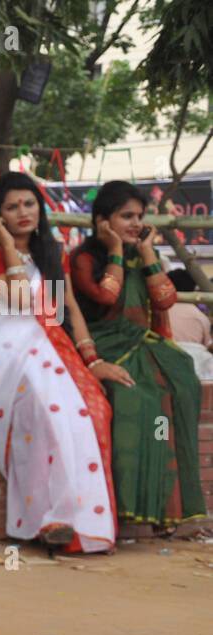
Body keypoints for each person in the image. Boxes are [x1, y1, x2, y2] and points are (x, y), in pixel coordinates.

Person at [0, 172, 125, 554]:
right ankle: (49, 517)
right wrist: (5, 245)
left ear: (39, 207)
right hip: (2, 348)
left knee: (94, 408)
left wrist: (92, 359)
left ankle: (83, 518)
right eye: (12, 207)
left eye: (29, 204)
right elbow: (18, 300)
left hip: (49, 344)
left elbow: (67, 308)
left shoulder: (54, 253)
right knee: (41, 405)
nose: (22, 213)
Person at [69, 180, 207, 530]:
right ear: (102, 220)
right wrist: (115, 251)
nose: (134, 223)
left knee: (180, 389)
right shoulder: (83, 258)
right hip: (104, 348)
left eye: (139, 216)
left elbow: (165, 302)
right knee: (136, 399)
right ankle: (130, 505)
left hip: (142, 346)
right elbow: (105, 296)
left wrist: (147, 255)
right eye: (125, 216)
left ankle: (165, 505)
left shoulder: (145, 256)